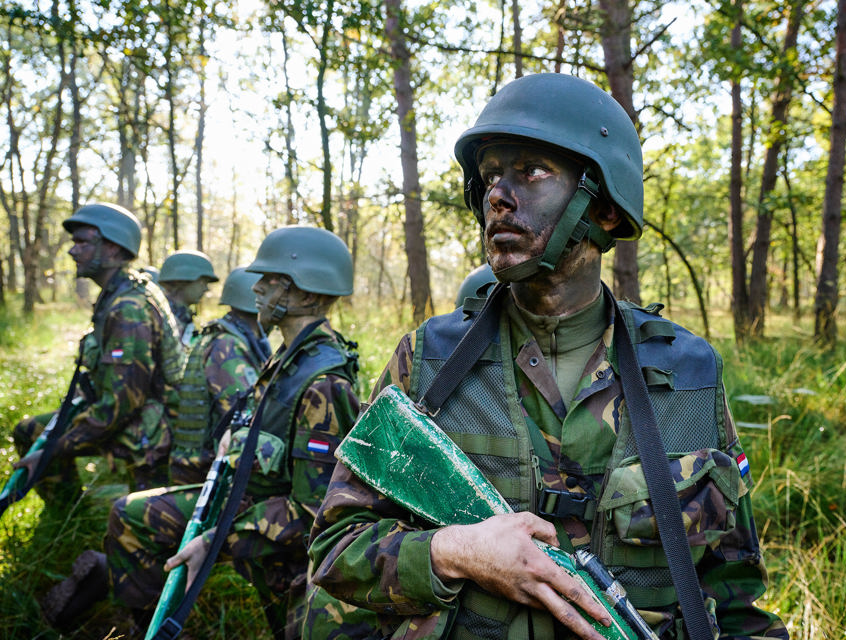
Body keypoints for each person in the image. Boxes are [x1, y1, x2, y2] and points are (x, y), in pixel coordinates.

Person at [306, 74, 789, 640]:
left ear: (605, 208)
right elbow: (335, 549)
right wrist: (455, 551)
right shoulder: (430, 361)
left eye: (531, 171)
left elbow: (736, 596)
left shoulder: (687, 374)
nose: (497, 196)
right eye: (489, 176)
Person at [40, 226, 373, 639]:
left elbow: (312, 513)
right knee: (128, 514)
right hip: (247, 494)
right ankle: (145, 622)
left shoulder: (322, 380)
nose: (257, 289)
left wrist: (216, 540)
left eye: (270, 281)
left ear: (304, 294)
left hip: (280, 529)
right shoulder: (290, 354)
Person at [13, 203, 184, 509]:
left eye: (82, 242)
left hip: (150, 428)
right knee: (29, 430)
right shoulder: (118, 295)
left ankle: (79, 513)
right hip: (130, 413)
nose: (72, 251)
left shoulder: (128, 307)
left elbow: (121, 405)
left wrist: (55, 448)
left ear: (113, 249)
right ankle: (67, 512)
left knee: (46, 443)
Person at [169, 266, 273, 485]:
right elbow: (250, 416)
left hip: (204, 464)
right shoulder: (228, 346)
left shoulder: (231, 337)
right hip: (201, 472)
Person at [157, 249, 219, 345]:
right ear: (182, 281)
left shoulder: (182, 316)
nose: (206, 289)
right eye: (202, 282)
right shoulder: (158, 316)